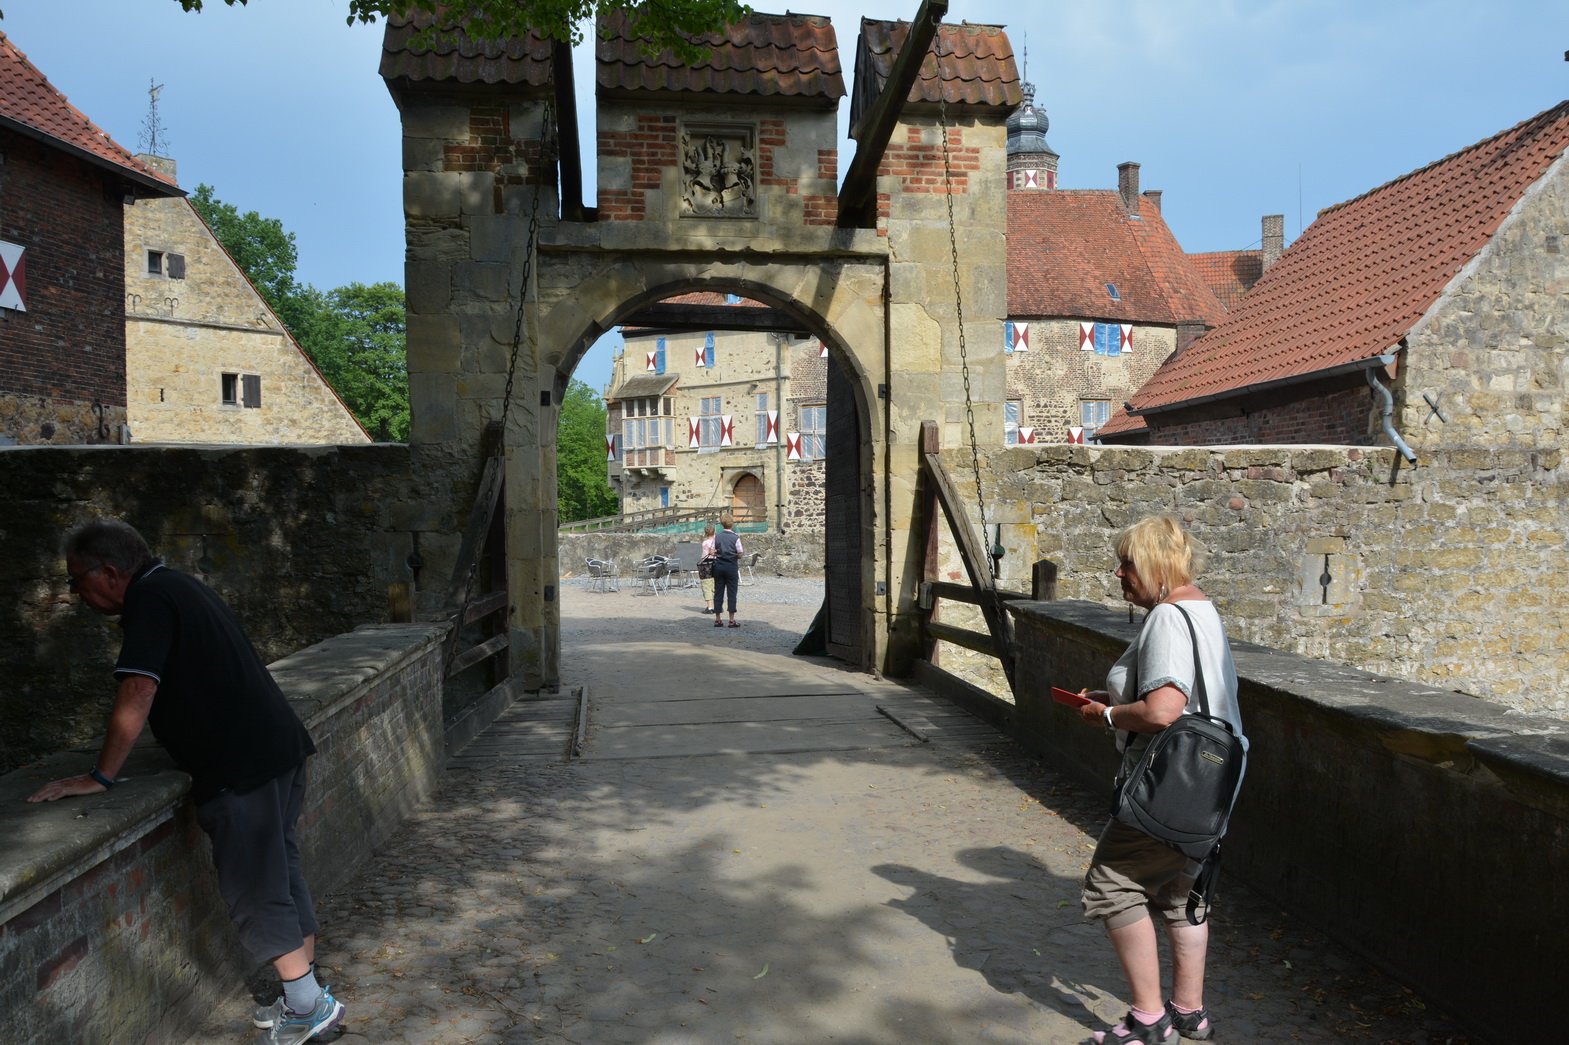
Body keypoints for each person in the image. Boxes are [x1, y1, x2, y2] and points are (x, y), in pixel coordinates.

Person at [26, 520, 345, 1045]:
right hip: (277, 749)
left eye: (75, 580)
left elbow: (138, 688)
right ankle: (299, 997)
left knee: (256, 889)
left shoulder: (149, 599)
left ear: (109, 572)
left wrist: (100, 776)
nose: (74, 593)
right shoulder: (180, 583)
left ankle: (309, 1007)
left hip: (238, 763)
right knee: (282, 876)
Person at [1074, 516, 1243, 1045]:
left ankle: (1148, 1021)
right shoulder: (1202, 610)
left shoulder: (1168, 617)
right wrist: (1122, 705)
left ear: (1153, 565)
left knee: (1113, 886)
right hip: (1210, 785)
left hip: (1168, 786)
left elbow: (1165, 710)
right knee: (1178, 894)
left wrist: (1106, 717)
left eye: (1127, 563)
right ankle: (1190, 1012)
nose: (1118, 573)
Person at [711, 512, 743, 628]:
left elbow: (711, 551)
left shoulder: (717, 536)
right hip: (731, 566)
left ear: (722, 524)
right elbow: (740, 553)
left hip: (719, 566)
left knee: (718, 592)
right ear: (732, 524)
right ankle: (731, 619)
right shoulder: (735, 537)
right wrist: (736, 555)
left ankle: (718, 619)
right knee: (732, 592)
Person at [699, 523, 717, 613]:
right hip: (716, 564)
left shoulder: (705, 543)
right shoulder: (717, 542)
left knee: (707, 585)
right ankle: (717, 606)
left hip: (706, 565)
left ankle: (710, 607)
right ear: (714, 533)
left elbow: (704, 556)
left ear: (706, 534)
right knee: (715, 585)